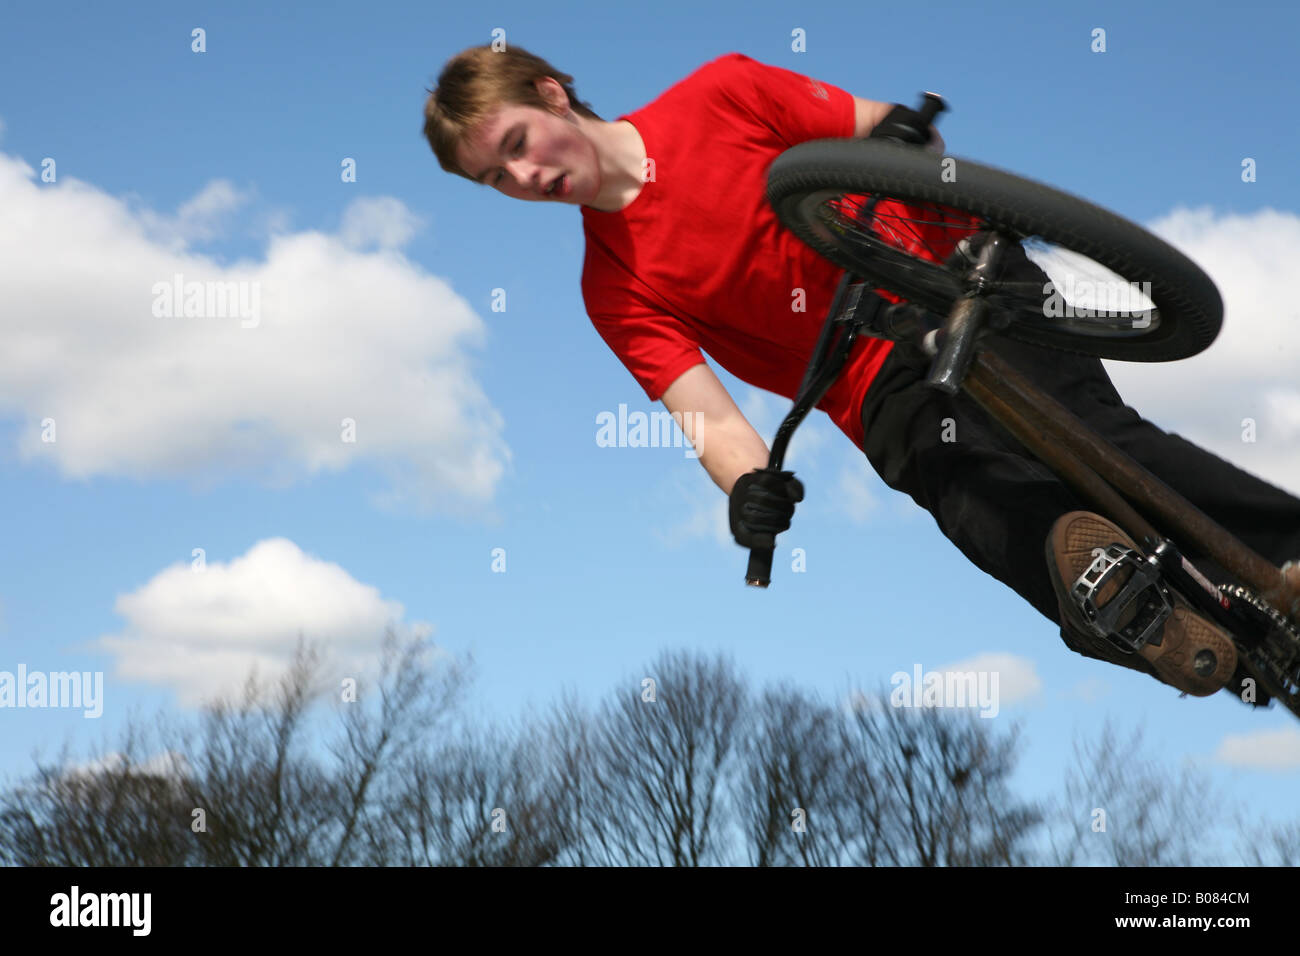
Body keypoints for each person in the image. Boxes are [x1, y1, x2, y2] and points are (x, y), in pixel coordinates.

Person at [423, 44, 1300, 701]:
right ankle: (1126, 604)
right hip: (868, 381)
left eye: (517, 143)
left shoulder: (717, 92)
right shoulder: (611, 285)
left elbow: (869, 121)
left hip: (956, 278)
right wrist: (744, 491)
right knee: (964, 489)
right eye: (496, 177)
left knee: (1104, 446)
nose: (526, 175)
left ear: (550, 92)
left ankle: (1287, 549)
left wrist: (900, 136)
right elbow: (710, 420)